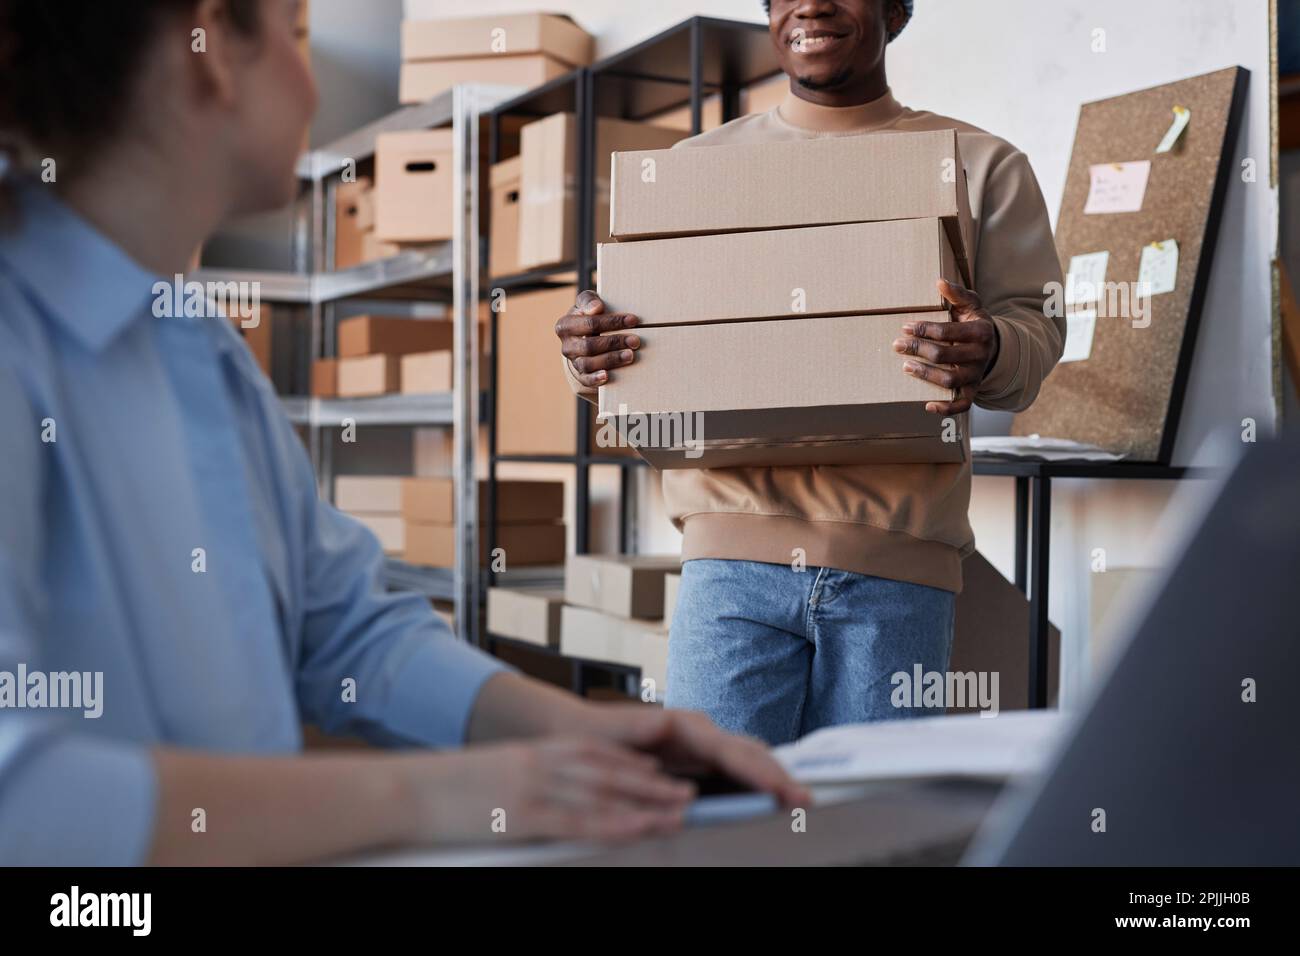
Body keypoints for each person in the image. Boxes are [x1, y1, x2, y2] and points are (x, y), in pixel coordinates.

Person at [0, 0, 807, 866]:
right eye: (293, 34)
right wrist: (451, 795)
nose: (309, 82)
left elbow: (347, 631)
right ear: (211, 52)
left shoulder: (202, 357)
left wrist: (599, 733)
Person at [555, 0, 1065, 745]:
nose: (812, 5)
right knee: (714, 829)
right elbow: (632, 342)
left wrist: (991, 348)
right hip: (729, 565)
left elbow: (1038, 327)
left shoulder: (982, 165)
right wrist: (586, 358)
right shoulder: (692, 172)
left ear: (895, 9)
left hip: (899, 572)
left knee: (871, 840)